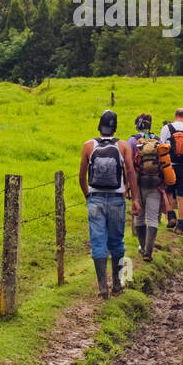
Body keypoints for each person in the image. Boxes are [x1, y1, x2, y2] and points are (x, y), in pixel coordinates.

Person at [79, 109, 140, 297]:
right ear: (115, 127)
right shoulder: (123, 146)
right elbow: (130, 172)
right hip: (117, 199)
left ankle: (102, 287)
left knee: (98, 242)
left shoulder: (88, 146)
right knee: (117, 241)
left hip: (95, 198)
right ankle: (117, 283)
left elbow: (82, 176)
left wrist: (87, 194)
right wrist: (135, 198)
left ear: (99, 126)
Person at [126, 113, 175, 263]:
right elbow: (165, 163)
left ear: (137, 125)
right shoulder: (158, 141)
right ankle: (148, 251)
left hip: (138, 185)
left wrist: (128, 186)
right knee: (153, 218)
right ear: (150, 125)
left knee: (139, 217)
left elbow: (128, 165)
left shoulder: (132, 141)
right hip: (156, 184)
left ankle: (142, 246)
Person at [159, 108, 183, 233]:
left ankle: (171, 216)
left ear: (175, 116)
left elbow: (161, 148)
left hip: (169, 166)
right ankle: (180, 225)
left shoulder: (166, 129)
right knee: (182, 198)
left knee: (168, 192)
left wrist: (162, 166)